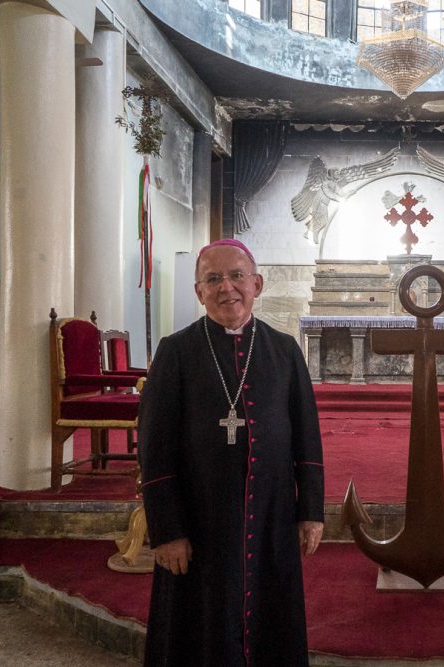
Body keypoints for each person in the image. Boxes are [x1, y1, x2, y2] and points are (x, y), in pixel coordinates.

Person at [138, 238, 325, 666]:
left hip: (271, 517)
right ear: (198, 290)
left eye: (237, 276)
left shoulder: (284, 350)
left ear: (257, 284)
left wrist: (311, 510)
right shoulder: (176, 351)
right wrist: (166, 530)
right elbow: (155, 447)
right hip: (199, 522)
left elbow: (307, 437)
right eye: (214, 278)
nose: (227, 287)